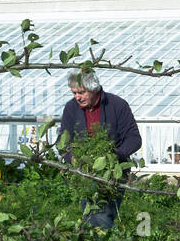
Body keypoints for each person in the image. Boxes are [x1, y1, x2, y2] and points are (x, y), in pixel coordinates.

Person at [58, 69, 141, 229]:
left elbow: (134, 138)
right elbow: (63, 142)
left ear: (94, 88)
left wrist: (114, 156)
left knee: (101, 213)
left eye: (81, 92)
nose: (77, 97)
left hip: (113, 173)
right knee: (90, 213)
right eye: (74, 93)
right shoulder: (71, 108)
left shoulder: (117, 105)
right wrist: (73, 158)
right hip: (85, 174)